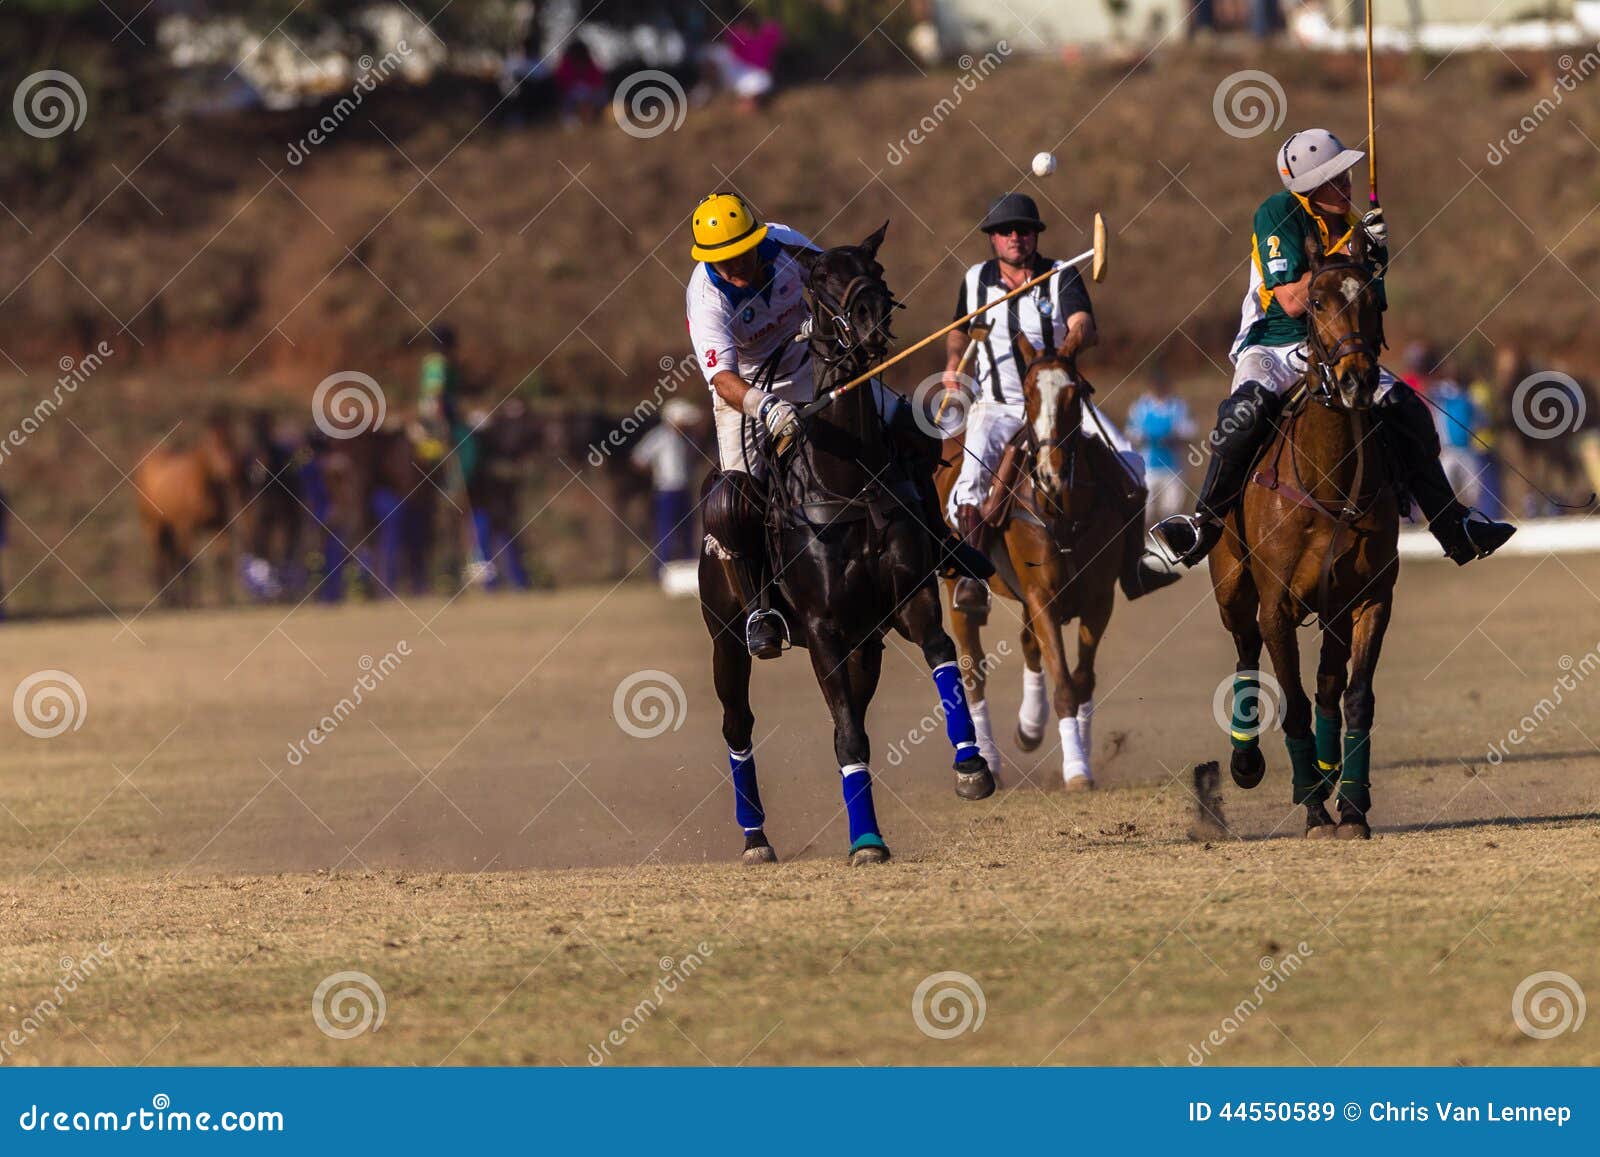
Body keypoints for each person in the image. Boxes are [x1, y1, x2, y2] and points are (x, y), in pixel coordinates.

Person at [1150, 128, 1514, 568]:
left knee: (1408, 410)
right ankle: (1202, 525)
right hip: (1274, 344)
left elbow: (1371, 304)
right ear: (1307, 186)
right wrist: (1352, 252)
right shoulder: (1279, 212)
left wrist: (1375, 256)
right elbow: (1290, 298)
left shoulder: (1354, 226)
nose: (1346, 185)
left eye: (1345, 175)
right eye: (1334, 178)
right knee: (1243, 414)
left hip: (1340, 350)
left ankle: (1453, 526)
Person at [686, 191, 988, 658]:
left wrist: (839, 322)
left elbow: (831, 279)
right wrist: (764, 406)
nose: (733, 267)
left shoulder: (783, 244)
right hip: (748, 393)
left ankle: (940, 538)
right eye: (721, 260)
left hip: (815, 366)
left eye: (738, 253)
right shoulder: (707, 297)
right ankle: (761, 608)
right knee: (733, 502)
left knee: (912, 426)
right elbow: (723, 379)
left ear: (755, 238)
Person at [942, 191, 1180, 621]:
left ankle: (1133, 567)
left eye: (1025, 230)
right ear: (992, 238)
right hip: (998, 404)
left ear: (1035, 236)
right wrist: (953, 364)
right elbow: (959, 331)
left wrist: (1067, 348)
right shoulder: (976, 280)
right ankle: (972, 578)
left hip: (1060, 399)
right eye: (1006, 231)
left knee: (1131, 463)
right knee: (969, 485)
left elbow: (1085, 327)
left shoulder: (1060, 276)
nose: (1016, 237)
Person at [631, 398, 702, 575]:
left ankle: (688, 571)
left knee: (687, 532)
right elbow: (639, 458)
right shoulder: (659, 436)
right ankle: (661, 571)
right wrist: (656, 474)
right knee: (666, 532)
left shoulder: (688, 439)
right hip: (665, 492)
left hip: (684, 490)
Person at [1126, 366, 1195, 528]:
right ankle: (1146, 542)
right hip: (1148, 468)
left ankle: (1170, 541)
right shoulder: (1140, 407)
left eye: (1162, 384)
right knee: (1147, 510)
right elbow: (1130, 433)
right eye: (1156, 384)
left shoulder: (1177, 406)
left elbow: (1189, 432)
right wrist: (1144, 438)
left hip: (1173, 468)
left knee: (1171, 509)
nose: (1159, 388)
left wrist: (1173, 438)